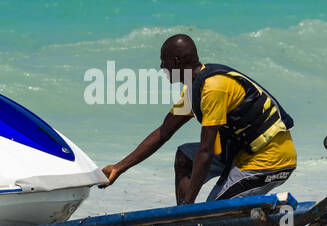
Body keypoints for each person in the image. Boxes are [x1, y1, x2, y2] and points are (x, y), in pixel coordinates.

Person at [102, 34, 297, 204]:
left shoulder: (213, 88)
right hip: (240, 154)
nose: (161, 67)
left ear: (177, 62)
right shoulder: (192, 90)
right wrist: (119, 168)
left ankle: (189, 216)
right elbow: (164, 132)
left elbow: (205, 151)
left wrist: (190, 205)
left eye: (164, 61)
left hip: (271, 160)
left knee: (213, 212)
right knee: (185, 156)